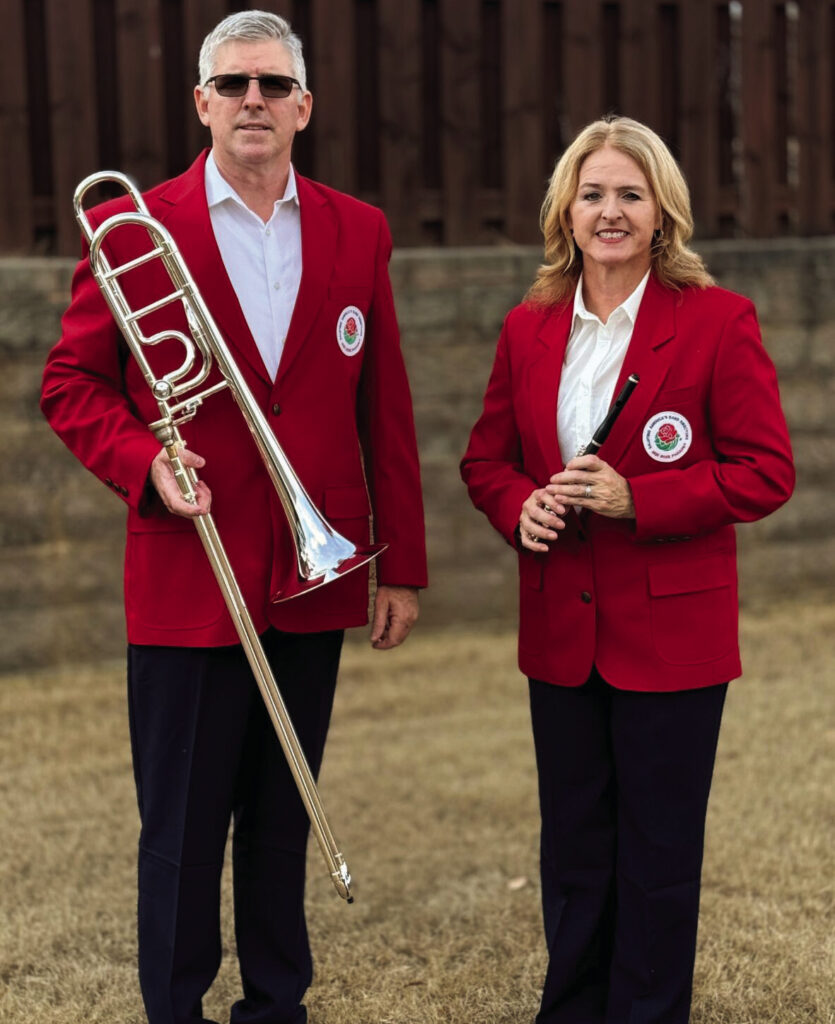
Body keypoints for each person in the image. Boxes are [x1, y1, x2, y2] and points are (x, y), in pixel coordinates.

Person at [41, 11, 427, 1024]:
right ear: (202, 103)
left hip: (313, 565)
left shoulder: (359, 228)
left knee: (282, 816)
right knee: (180, 827)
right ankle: (174, 1009)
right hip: (189, 567)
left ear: (304, 106)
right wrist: (146, 461)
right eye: (232, 83)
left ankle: (274, 1006)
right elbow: (71, 385)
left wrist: (401, 565)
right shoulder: (135, 227)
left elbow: (383, 407)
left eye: (272, 83)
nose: (253, 99)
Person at [460, 116, 794, 1024]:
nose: (609, 212)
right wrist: (516, 506)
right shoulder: (527, 326)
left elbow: (765, 472)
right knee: (573, 850)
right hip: (560, 635)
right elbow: (485, 460)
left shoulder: (718, 321)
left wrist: (636, 498)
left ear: (661, 215)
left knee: (657, 855)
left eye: (630, 195)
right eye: (593, 194)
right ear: (565, 212)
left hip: (671, 635)